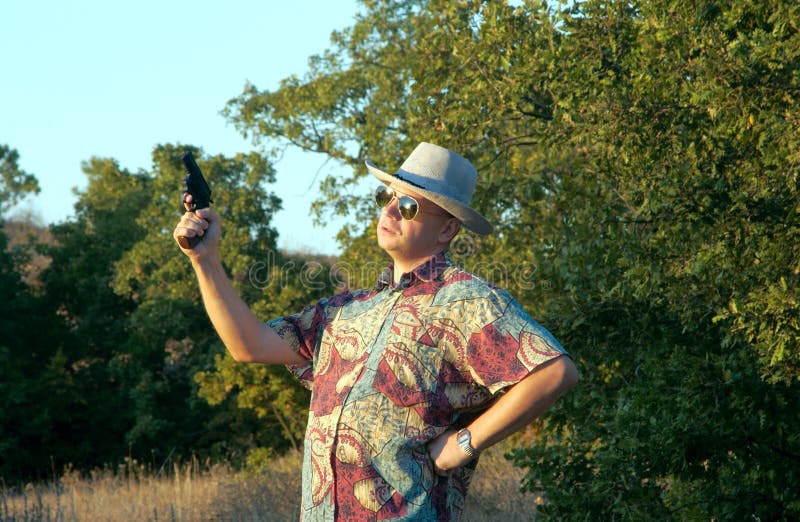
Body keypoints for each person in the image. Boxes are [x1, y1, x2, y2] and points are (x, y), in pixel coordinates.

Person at [173, 142, 579, 521]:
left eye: (408, 206)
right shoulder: (346, 309)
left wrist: (462, 445)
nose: (388, 212)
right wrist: (205, 261)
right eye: (385, 198)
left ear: (447, 230)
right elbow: (250, 344)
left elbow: (554, 372)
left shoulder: (466, 300)